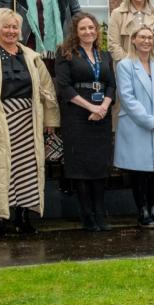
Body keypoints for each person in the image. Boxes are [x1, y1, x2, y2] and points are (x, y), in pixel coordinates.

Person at [0, 8, 60, 235]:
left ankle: (23, 218)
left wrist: (50, 120)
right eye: (6, 26)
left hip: (29, 121)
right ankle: (1, 219)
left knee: (27, 170)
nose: (11, 31)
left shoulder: (32, 57)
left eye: (14, 26)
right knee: (0, 171)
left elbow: (47, 90)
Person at [55, 12, 116, 232]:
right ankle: (87, 216)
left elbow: (111, 84)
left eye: (91, 28)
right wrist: (91, 107)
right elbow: (64, 87)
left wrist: (104, 107)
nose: (88, 32)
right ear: (76, 32)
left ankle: (100, 214)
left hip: (102, 116)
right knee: (81, 168)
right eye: (83, 29)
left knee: (99, 167)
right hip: (77, 116)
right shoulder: (65, 53)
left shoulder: (104, 55)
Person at [115, 26, 154, 227]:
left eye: (150, 37)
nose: (147, 41)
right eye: (142, 37)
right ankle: (143, 212)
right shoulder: (125, 65)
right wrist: (150, 121)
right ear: (133, 39)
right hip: (137, 126)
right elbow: (127, 97)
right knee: (139, 172)